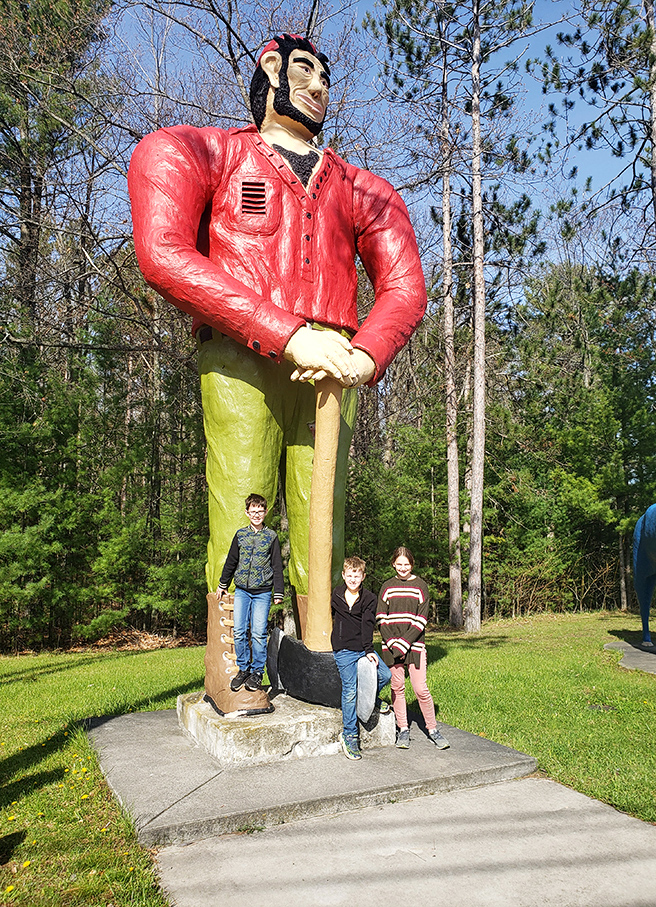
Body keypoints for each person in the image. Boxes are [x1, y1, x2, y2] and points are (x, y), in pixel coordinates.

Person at [127, 34, 426, 713]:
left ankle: (321, 649)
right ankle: (235, 665)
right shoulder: (211, 153)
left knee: (328, 515)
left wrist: (364, 350)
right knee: (243, 503)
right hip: (242, 351)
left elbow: (406, 285)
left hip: (334, 366)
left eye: (326, 75)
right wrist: (284, 332)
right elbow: (163, 250)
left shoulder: (359, 187)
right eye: (304, 71)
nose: (320, 86)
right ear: (270, 72)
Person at [377, 547, 450, 750]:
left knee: (420, 689)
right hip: (391, 646)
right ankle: (403, 729)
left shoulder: (421, 586)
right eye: (399, 564)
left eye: (406, 564)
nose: (403, 568)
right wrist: (393, 643)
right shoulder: (387, 586)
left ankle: (433, 729)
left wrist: (404, 643)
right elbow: (381, 618)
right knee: (397, 687)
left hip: (414, 646)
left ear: (412, 564)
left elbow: (421, 619)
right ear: (393, 564)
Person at [216, 494, 284, 694]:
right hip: (242, 591)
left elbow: (277, 566)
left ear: (265, 512)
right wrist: (222, 584)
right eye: (253, 511)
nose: (256, 514)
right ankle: (243, 669)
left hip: (262, 592)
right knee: (238, 631)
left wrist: (278, 591)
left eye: (260, 511)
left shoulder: (271, 537)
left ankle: (256, 672)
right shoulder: (240, 535)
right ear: (247, 513)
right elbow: (231, 561)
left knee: (258, 633)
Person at [331, 556, 391, 760]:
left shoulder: (369, 599)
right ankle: (349, 734)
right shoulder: (336, 594)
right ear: (343, 576)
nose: (353, 579)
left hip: (362, 649)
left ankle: (370, 700)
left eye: (357, 576)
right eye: (349, 575)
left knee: (385, 674)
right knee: (349, 691)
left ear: (363, 576)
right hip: (343, 650)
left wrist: (368, 650)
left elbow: (367, 625)